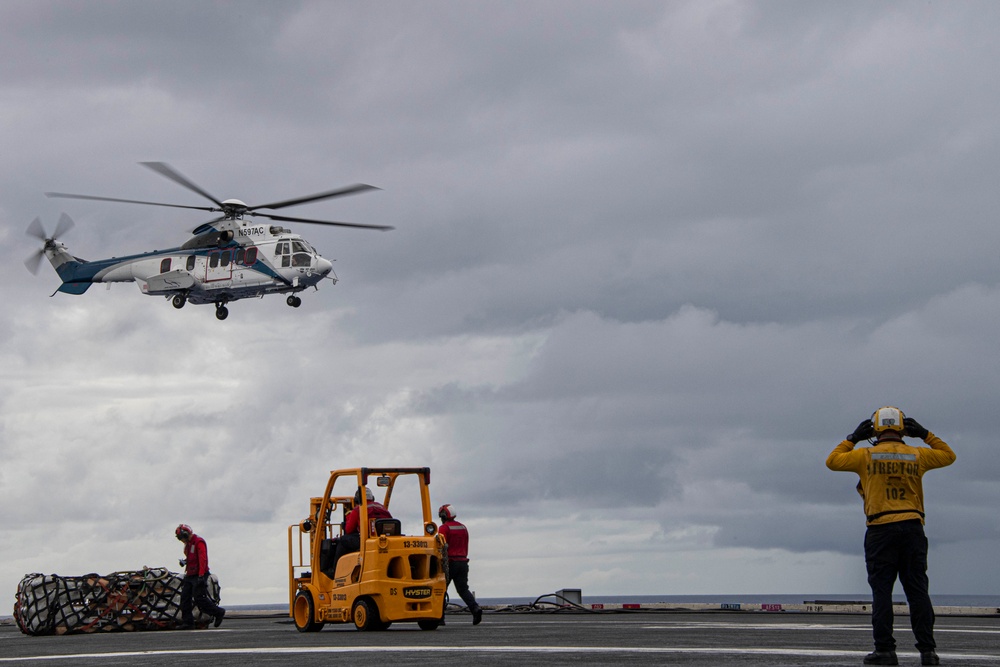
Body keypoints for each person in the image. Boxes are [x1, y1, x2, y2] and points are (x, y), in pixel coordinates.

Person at [826, 407, 955, 666]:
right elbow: (949, 456)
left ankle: (885, 651)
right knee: (917, 591)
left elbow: (833, 461)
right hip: (912, 527)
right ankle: (928, 652)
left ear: (874, 429)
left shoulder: (864, 456)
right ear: (903, 428)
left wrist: (852, 438)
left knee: (882, 592)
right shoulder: (917, 455)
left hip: (880, 529)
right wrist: (925, 434)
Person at [438, 504, 482, 625]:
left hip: (450, 563)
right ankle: (475, 608)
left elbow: (441, 546)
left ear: (443, 516)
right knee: (463, 589)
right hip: (463, 563)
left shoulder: (444, 528)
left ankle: (439, 617)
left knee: (441, 590)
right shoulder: (463, 527)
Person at [175, 524, 225, 629]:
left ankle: (218, 612)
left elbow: (203, 560)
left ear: (185, 534)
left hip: (199, 574)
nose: (181, 540)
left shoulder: (199, 542)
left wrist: (201, 576)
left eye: (181, 537)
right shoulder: (188, 545)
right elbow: (191, 558)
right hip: (190, 574)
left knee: (199, 598)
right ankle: (188, 622)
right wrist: (185, 561)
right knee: (184, 598)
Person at [333, 487, 393, 562]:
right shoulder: (382, 508)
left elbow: (349, 529)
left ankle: (335, 570)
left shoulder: (358, 510)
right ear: (372, 498)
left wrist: (348, 520)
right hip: (386, 540)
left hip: (366, 540)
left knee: (343, 540)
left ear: (357, 499)